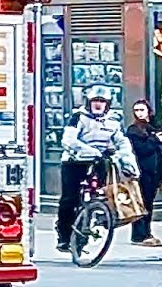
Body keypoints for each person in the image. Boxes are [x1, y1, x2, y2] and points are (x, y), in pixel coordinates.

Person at [57, 84, 139, 252]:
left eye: (102, 101)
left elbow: (123, 144)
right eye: (95, 100)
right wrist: (91, 151)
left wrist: (129, 163)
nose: (98, 104)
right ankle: (64, 236)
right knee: (69, 199)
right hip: (75, 162)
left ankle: (98, 214)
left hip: (100, 162)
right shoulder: (78, 117)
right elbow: (68, 140)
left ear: (108, 104)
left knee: (107, 193)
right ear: (89, 102)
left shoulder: (113, 121)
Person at [125, 99, 162, 246]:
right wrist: (155, 139)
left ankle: (146, 232)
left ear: (148, 111)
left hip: (155, 170)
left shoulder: (153, 127)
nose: (139, 113)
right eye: (137, 110)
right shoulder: (134, 130)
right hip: (142, 171)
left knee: (149, 203)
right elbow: (142, 150)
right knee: (142, 203)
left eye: (142, 110)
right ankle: (140, 234)